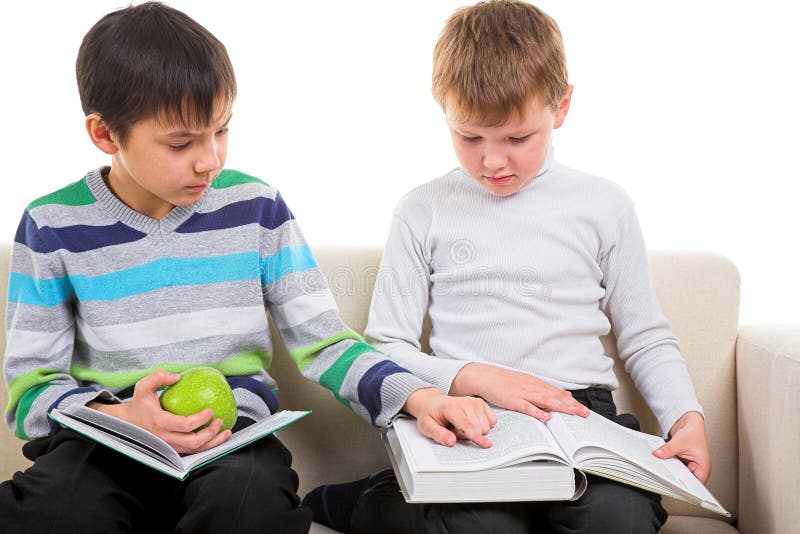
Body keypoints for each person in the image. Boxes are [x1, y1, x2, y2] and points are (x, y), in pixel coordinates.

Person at [0, 3, 495, 533]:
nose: (210, 160)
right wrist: (120, 416)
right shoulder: (50, 223)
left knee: (250, 507)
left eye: (221, 131)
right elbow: (30, 390)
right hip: (106, 442)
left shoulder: (256, 207)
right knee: (57, 511)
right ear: (105, 135)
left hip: (232, 440)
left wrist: (419, 396)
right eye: (181, 143)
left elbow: (325, 342)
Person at [303, 1, 711, 533]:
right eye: (470, 137)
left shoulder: (604, 205)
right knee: (480, 528)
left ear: (561, 107)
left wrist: (686, 418)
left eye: (518, 138)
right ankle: (368, 497)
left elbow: (645, 335)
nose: (493, 161)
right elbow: (387, 346)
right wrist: (476, 378)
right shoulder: (423, 210)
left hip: (581, 419)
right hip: (474, 415)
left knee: (619, 519)